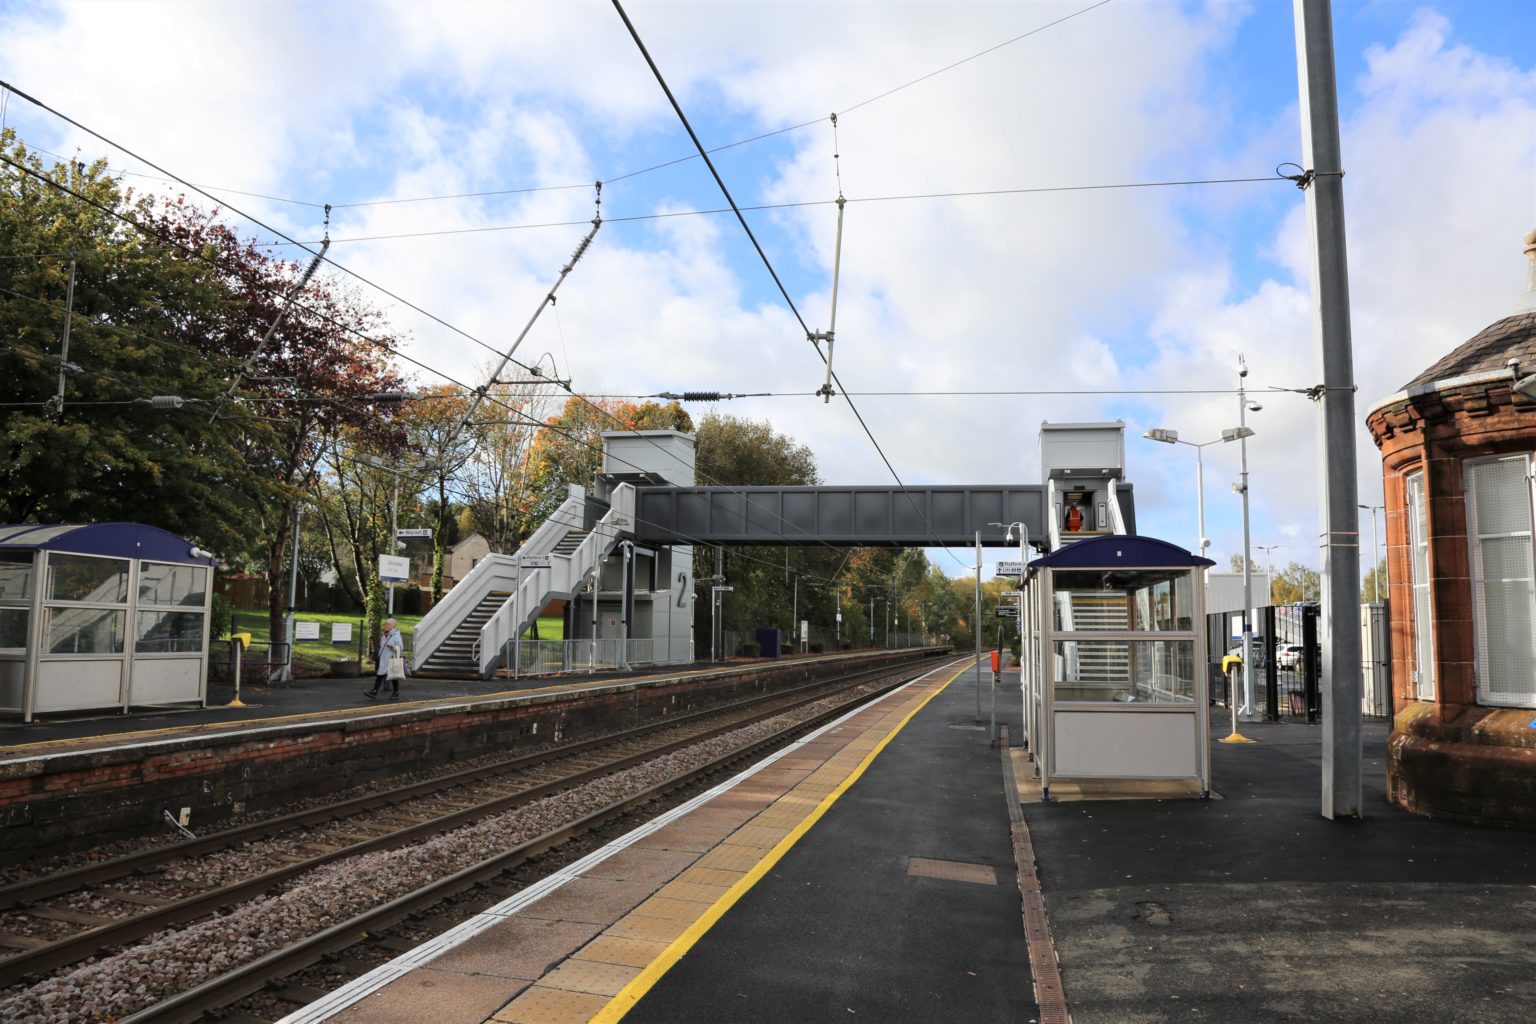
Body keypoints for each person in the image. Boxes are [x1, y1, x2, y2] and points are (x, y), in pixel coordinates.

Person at [365, 618, 405, 700]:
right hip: (383, 658)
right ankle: (374, 692)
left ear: (392, 626)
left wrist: (393, 647)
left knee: (393, 676)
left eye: (387, 624)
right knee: (380, 674)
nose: (385, 625)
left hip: (391, 659)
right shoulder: (384, 635)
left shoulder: (396, 636)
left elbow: (401, 648)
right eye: (385, 624)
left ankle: (395, 693)